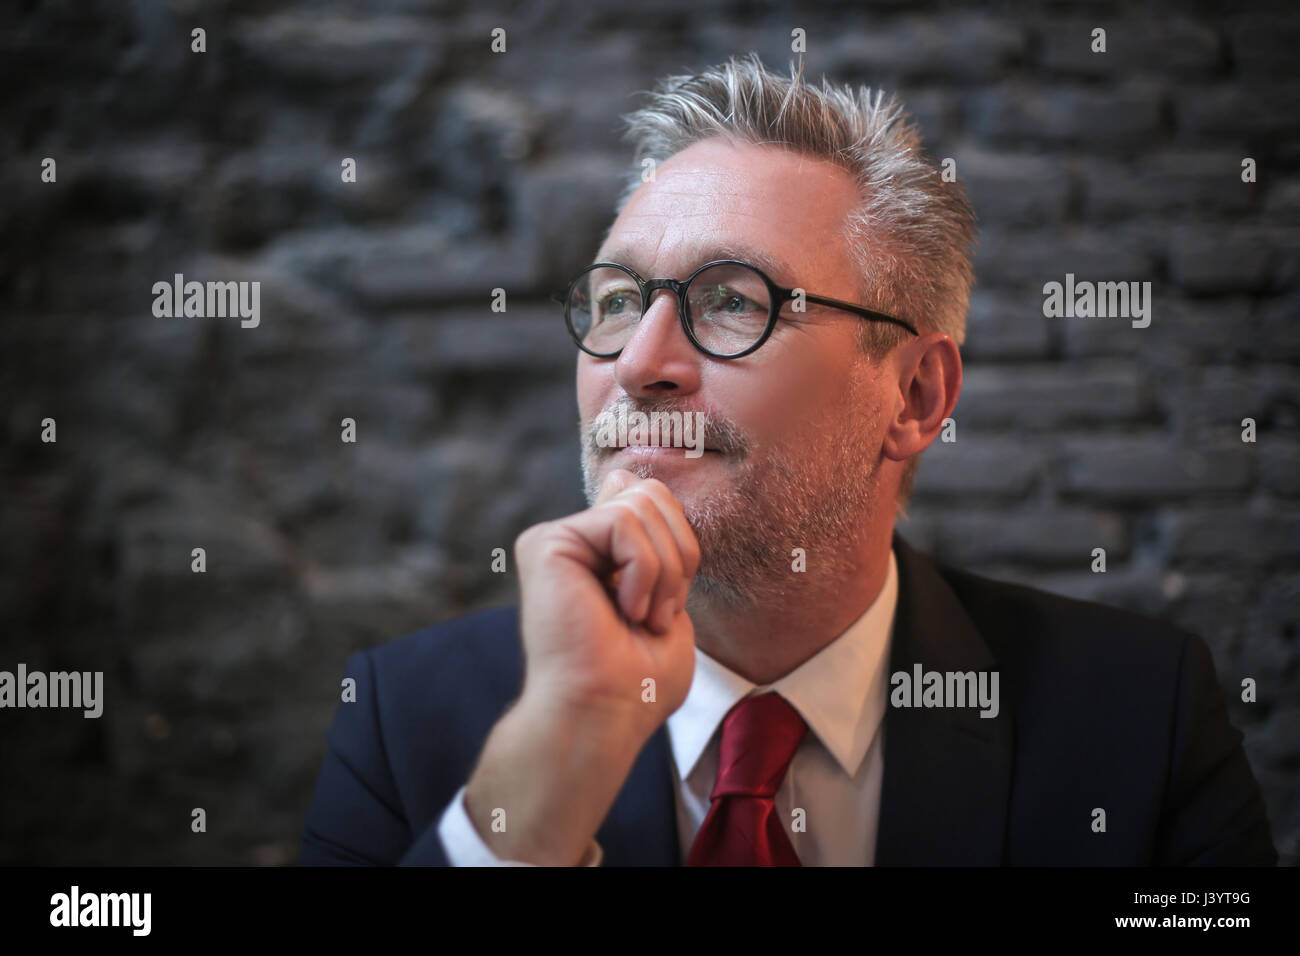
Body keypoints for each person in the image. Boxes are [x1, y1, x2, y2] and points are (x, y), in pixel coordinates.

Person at [299, 54, 1276, 866]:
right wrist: (551, 773)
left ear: (915, 396)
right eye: (613, 300)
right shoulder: (408, 719)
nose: (639, 362)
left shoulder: (1135, 721)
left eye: (731, 300)